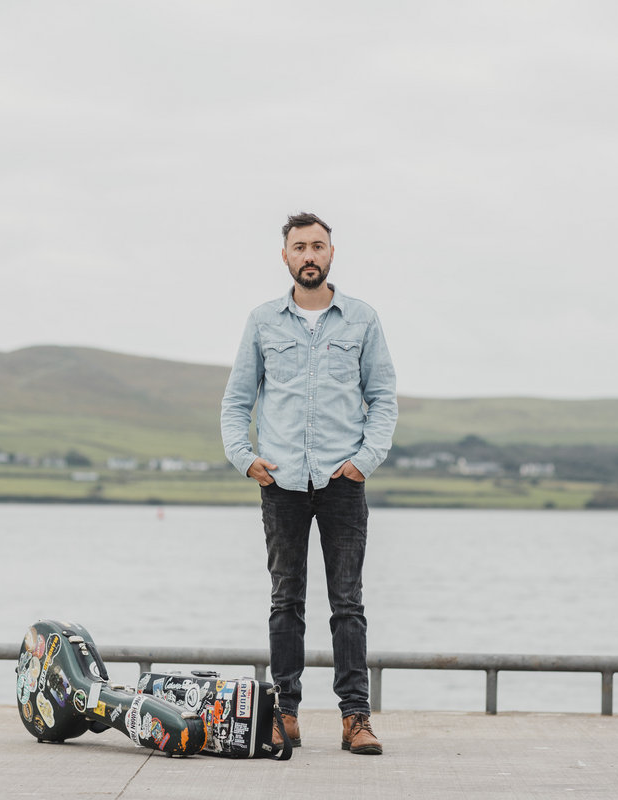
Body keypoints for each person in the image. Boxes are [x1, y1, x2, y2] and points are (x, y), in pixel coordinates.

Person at [220, 211, 398, 756]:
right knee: (285, 601)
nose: (309, 256)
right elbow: (237, 401)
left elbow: (383, 398)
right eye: (299, 247)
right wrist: (244, 458)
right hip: (282, 483)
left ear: (331, 253)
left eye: (318, 246)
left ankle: (355, 719)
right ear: (285, 256)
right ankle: (285, 715)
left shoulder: (362, 320)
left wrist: (365, 460)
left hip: (343, 480)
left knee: (348, 603)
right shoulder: (262, 321)